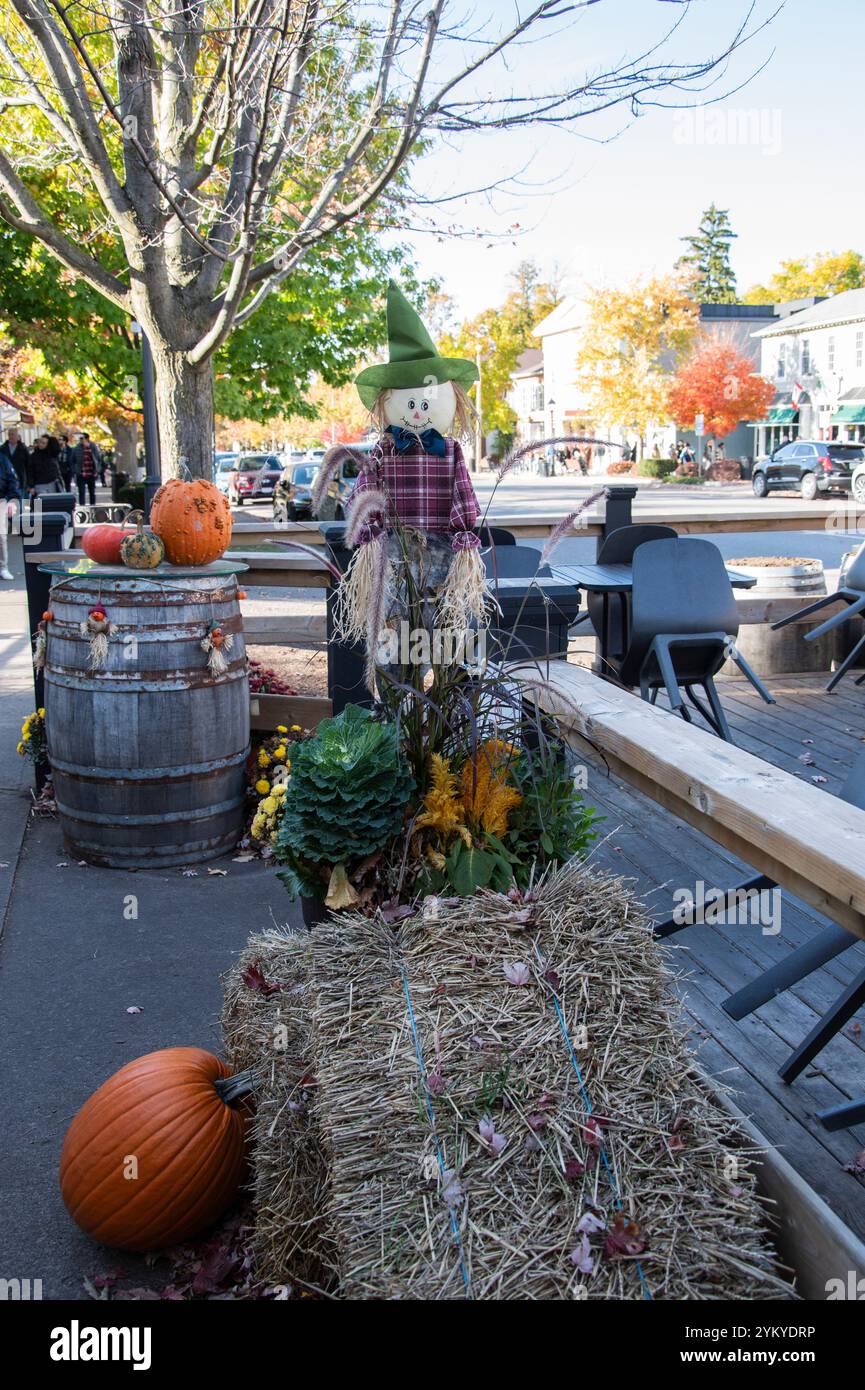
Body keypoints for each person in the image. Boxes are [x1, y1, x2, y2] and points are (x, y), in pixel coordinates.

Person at [0, 445, 20, 581]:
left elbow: (12, 480)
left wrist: (11, 501)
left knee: (1, 537)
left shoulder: (3, 460)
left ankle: (3, 567)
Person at [72, 431, 101, 505]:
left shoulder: (93, 446)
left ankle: (93, 507)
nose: (81, 440)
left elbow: (97, 458)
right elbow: (72, 460)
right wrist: (75, 470)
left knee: (92, 492)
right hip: (81, 473)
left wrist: (97, 470)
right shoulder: (77, 448)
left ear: (87, 439)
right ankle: (82, 507)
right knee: (81, 492)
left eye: (83, 438)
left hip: (91, 473)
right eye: (80, 439)